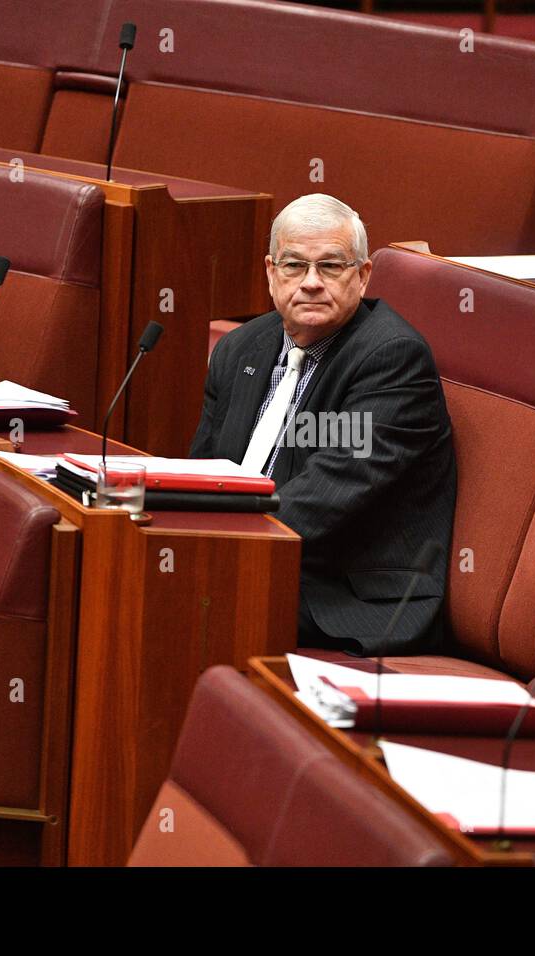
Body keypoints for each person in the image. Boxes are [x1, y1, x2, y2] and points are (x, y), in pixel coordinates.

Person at [190, 194, 456, 655]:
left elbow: (326, 494)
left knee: (188, 599)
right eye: (295, 266)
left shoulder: (391, 359)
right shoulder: (241, 349)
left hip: (344, 594)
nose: (311, 283)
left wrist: (214, 551)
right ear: (271, 272)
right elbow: (205, 468)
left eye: (331, 267)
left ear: (363, 275)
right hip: (257, 557)